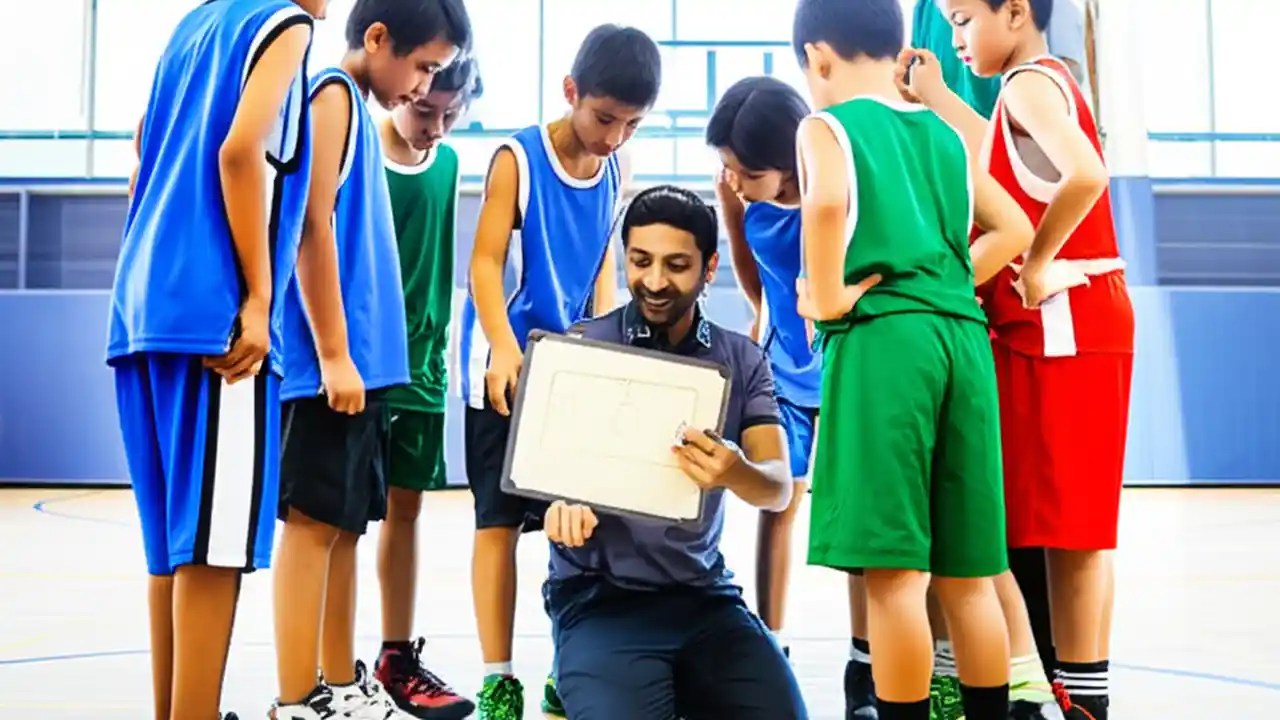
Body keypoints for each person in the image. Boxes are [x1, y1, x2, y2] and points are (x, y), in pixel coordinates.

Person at [790, 0, 1037, 719]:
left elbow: (829, 203)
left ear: (816, 58)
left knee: (895, 576)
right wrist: (953, 279)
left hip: (887, 345)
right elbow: (1014, 225)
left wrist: (829, 296)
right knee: (970, 574)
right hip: (962, 342)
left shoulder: (825, 126)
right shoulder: (943, 136)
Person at [901, 2, 1134, 719]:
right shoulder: (1029, 88)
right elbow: (1001, 152)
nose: (958, 37)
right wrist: (941, 99)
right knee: (1062, 532)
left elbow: (1087, 174)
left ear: (1016, 12)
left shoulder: (1031, 83)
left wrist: (1034, 262)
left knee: (1072, 532)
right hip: (1060, 329)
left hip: (1065, 325)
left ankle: (1079, 698)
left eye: (966, 19)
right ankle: (1072, 692)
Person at [107, 1, 326, 718]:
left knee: (173, 551)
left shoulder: (196, 23)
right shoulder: (286, 24)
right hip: (215, 316)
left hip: (143, 303)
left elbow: (144, 151)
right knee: (212, 548)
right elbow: (239, 152)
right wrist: (260, 297)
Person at [270, 1, 471, 718]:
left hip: (370, 368)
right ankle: (298, 698)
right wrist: (332, 352)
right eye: (422, 68)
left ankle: (338, 680)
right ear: (378, 38)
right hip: (334, 366)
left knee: (346, 527)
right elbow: (309, 223)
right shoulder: (330, 93)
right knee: (313, 525)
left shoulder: (352, 102)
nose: (423, 88)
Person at [457, 23, 661, 719]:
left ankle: (565, 668)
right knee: (497, 526)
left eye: (631, 125)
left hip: (571, 373)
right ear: (571, 92)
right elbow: (484, 263)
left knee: (578, 528)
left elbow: (603, 269)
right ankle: (498, 678)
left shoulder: (616, 170)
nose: (614, 137)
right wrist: (504, 348)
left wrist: (610, 348)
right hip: (505, 369)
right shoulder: (518, 157)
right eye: (605, 118)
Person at [543, 184, 808, 720]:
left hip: (705, 598)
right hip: (601, 601)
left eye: (677, 265)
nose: (656, 281)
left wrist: (737, 470)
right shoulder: (583, 346)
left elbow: (778, 486)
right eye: (640, 261)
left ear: (710, 269)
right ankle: (569, 671)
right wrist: (556, 509)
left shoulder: (743, 358)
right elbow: (545, 481)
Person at [703, 75, 877, 719]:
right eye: (729, 170)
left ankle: (864, 662)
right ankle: (770, 641)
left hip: (844, 371)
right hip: (780, 371)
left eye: (746, 172)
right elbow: (753, 272)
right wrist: (732, 211)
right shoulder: (748, 199)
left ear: (788, 157)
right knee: (777, 500)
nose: (737, 181)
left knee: (857, 519)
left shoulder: (838, 194)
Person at [369, 53, 484, 720]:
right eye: (423, 110)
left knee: (406, 512)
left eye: (450, 113)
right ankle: (327, 669)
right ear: (402, 92)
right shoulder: (363, 156)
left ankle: (395, 657)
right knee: (340, 523)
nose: (436, 126)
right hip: (365, 365)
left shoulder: (448, 164)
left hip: (425, 367)